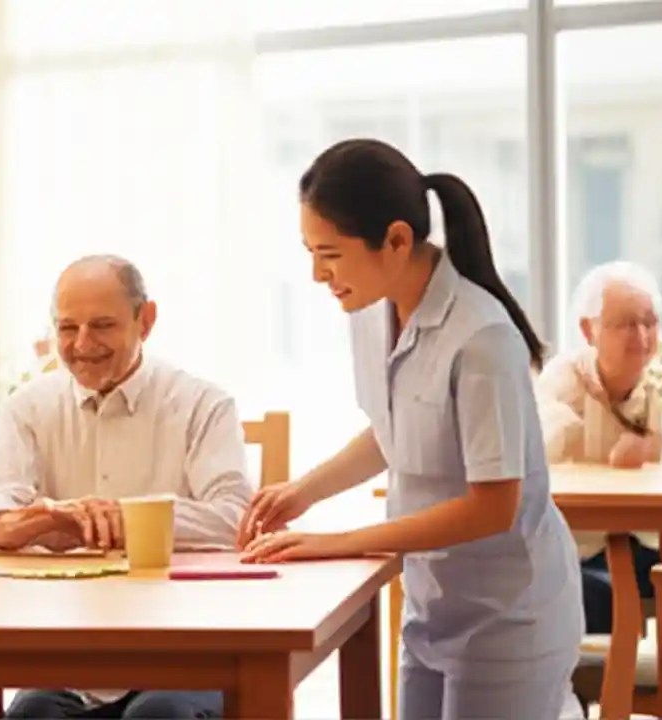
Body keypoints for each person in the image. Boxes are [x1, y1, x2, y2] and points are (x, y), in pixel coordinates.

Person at [237, 139, 582, 720]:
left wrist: (341, 542)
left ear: (396, 239)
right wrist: (302, 493)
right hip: (432, 606)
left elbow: (493, 506)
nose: (318, 274)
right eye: (309, 252)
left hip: (508, 618)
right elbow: (393, 430)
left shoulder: (481, 337)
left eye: (330, 254)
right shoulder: (371, 311)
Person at [0, 255, 252, 719]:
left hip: (188, 653)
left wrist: (123, 518)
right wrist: (50, 517)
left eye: (102, 325)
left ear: (147, 320)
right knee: (31, 715)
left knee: (157, 716)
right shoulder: (28, 407)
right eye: (67, 328)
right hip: (70, 657)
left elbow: (234, 518)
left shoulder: (204, 404)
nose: (83, 344)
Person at [535, 261, 662, 658]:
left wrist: (649, 450)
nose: (643, 337)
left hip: (647, 543)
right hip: (580, 549)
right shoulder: (563, 381)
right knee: (594, 594)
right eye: (626, 324)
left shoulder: (660, 384)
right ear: (587, 330)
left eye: (650, 322)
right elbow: (538, 465)